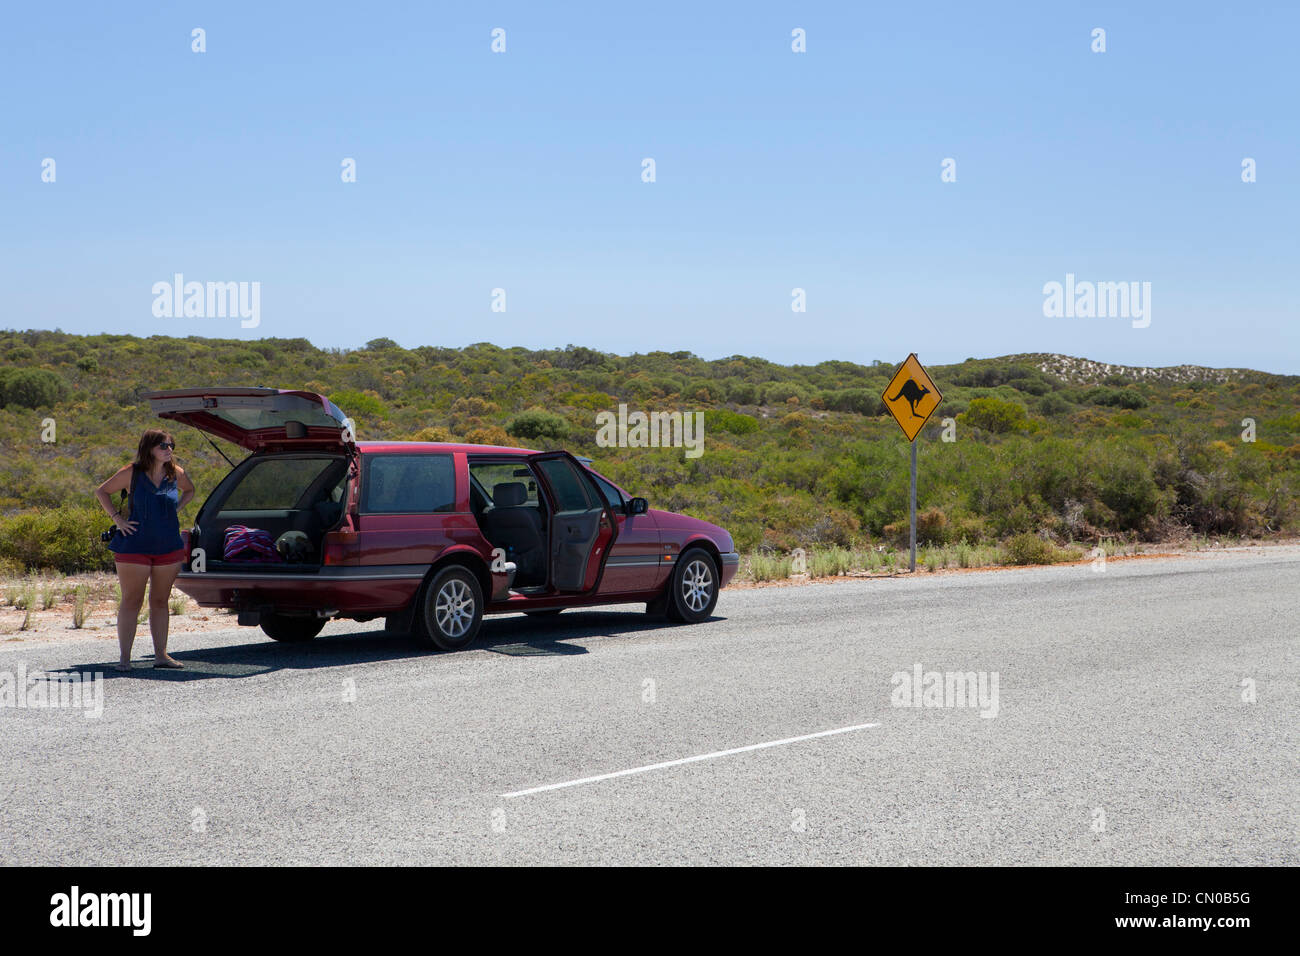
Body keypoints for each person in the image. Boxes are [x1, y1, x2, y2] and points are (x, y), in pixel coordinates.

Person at [94, 429, 196, 671]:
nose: (168, 449)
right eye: (163, 445)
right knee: (132, 600)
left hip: (168, 545)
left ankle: (161, 656)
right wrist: (118, 520)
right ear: (149, 448)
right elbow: (102, 491)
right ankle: (124, 659)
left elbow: (190, 490)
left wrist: (176, 510)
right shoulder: (132, 472)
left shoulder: (175, 473)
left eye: (171, 445)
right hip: (134, 545)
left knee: (160, 601)